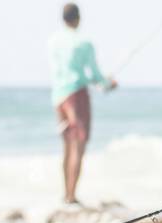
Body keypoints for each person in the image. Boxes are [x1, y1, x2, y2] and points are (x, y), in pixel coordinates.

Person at [48, 3, 117, 206]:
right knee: (78, 146)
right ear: (78, 18)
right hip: (76, 94)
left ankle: (65, 194)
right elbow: (94, 75)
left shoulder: (53, 41)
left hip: (58, 96)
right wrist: (108, 83)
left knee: (67, 146)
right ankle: (71, 196)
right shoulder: (83, 42)